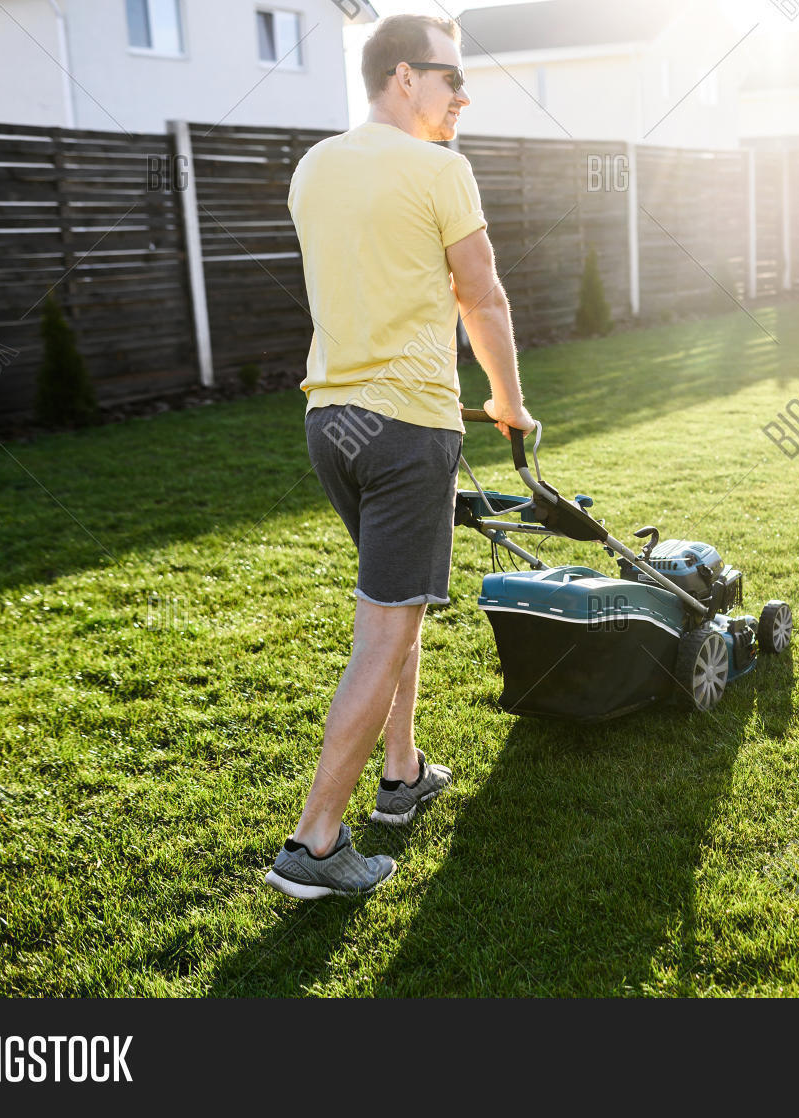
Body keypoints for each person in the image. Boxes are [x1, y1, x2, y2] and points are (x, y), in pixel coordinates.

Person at [265, 13, 535, 899]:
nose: (465, 95)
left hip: (331, 424)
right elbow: (483, 296)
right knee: (385, 630)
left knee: (399, 602)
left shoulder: (314, 167)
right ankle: (314, 845)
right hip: (408, 428)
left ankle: (402, 775)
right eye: (452, 77)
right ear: (403, 77)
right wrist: (509, 402)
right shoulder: (439, 170)